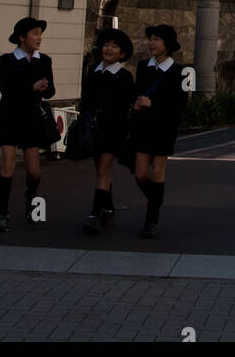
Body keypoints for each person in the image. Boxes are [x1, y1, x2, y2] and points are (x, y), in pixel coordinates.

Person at [0, 17, 55, 233]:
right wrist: (32, 86)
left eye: (40, 34)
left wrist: (44, 87)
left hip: (32, 119)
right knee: (7, 166)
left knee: (34, 171)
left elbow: (51, 91)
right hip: (10, 116)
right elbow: (7, 89)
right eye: (34, 34)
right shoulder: (6, 61)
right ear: (22, 37)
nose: (38, 38)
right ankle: (3, 214)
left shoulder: (44, 60)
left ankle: (32, 199)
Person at [79, 28, 136, 236]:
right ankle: (109, 206)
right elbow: (86, 99)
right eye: (105, 44)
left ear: (122, 53)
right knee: (100, 170)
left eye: (114, 46)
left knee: (103, 170)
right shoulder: (94, 71)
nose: (108, 49)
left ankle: (94, 215)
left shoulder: (125, 76)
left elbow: (123, 108)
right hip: (93, 129)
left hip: (113, 131)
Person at [130, 24, 185, 239]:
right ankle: (156, 201)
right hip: (143, 126)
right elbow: (136, 92)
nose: (152, 43)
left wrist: (153, 103)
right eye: (150, 39)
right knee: (140, 173)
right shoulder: (143, 66)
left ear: (167, 45)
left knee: (157, 171)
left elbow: (180, 104)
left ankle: (151, 220)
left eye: (157, 39)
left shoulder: (180, 72)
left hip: (164, 127)